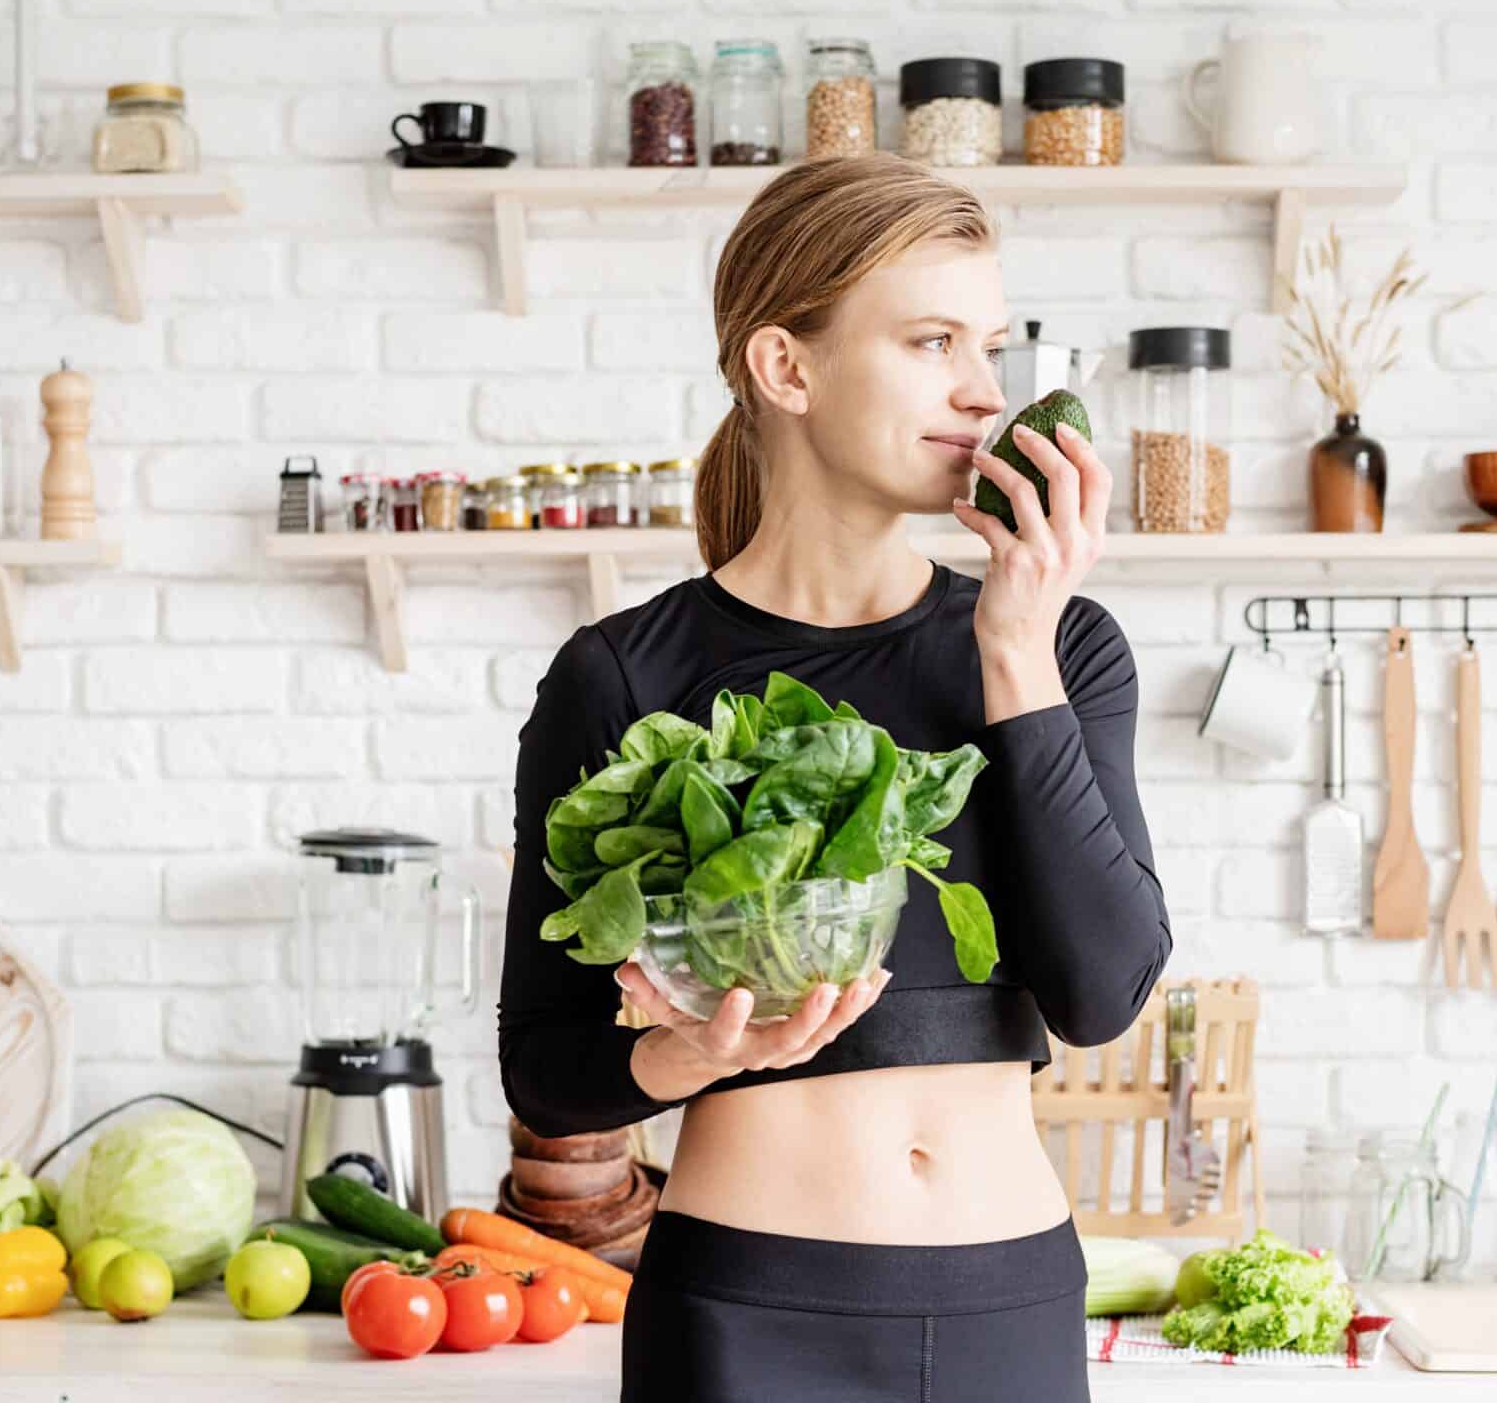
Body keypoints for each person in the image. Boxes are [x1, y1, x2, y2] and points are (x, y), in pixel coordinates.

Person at [497, 154, 1172, 1403]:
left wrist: (1016, 649)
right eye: (931, 342)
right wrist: (681, 1058)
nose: (983, 393)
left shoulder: (1061, 643)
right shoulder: (625, 676)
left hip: (1008, 1304)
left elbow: (1100, 991)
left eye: (991, 347)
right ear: (785, 367)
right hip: (746, 1310)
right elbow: (541, 1062)